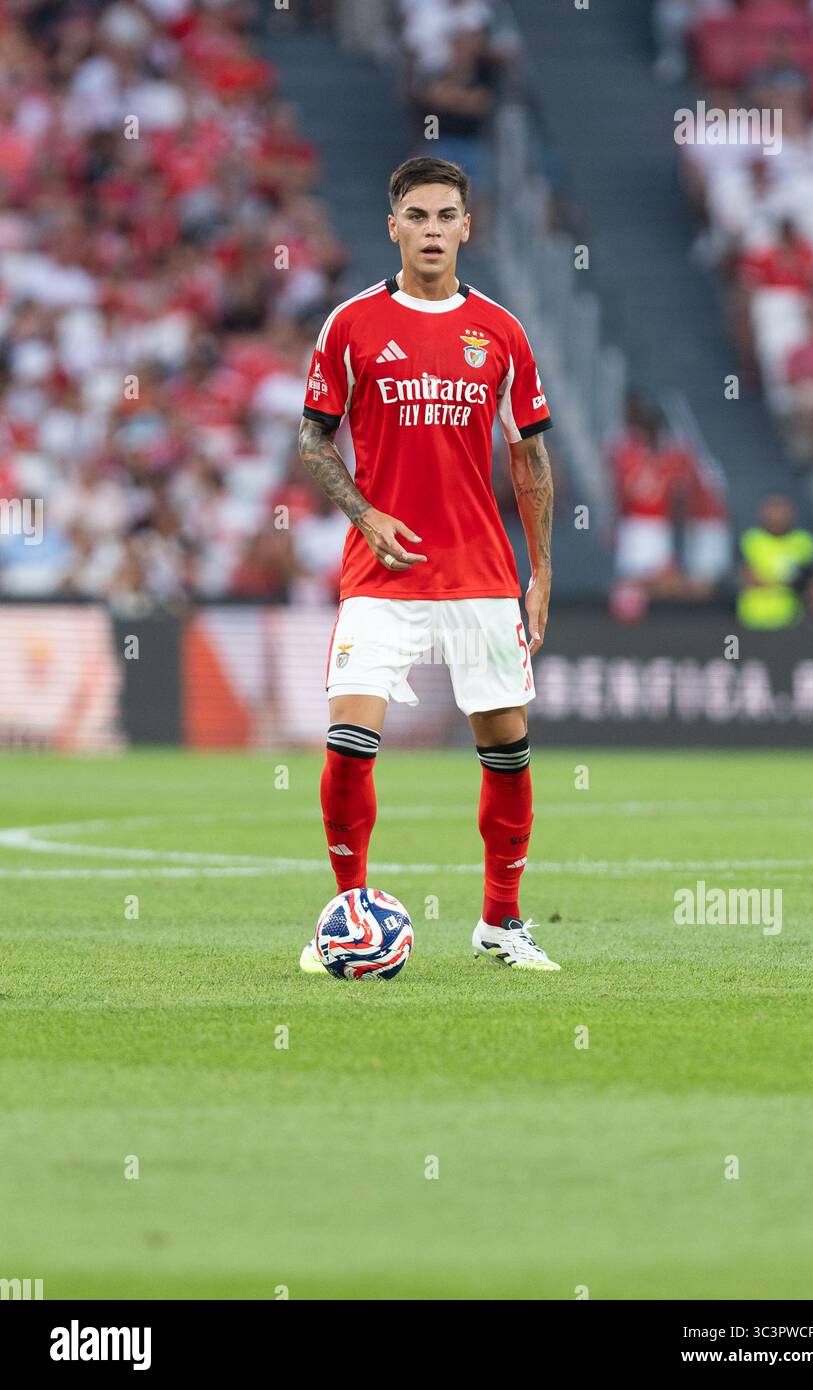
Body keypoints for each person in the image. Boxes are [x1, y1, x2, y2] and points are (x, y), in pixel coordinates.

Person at [296, 155, 559, 972]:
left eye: (447, 216)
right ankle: (347, 914)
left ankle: (501, 924)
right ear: (393, 226)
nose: (433, 231)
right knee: (348, 744)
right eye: (418, 216)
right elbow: (313, 440)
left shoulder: (503, 334)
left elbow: (531, 461)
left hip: (480, 572)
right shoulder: (350, 325)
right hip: (382, 572)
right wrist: (365, 513)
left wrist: (541, 568)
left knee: (506, 748)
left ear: (467, 227)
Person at [737, 494, 813, 628]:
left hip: (793, 618)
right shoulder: (750, 539)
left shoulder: (804, 541)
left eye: (781, 509)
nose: (777, 515)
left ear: (792, 512)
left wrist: (767, 580)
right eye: (772, 508)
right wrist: (782, 581)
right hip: (752, 619)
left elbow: (806, 580)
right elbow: (746, 577)